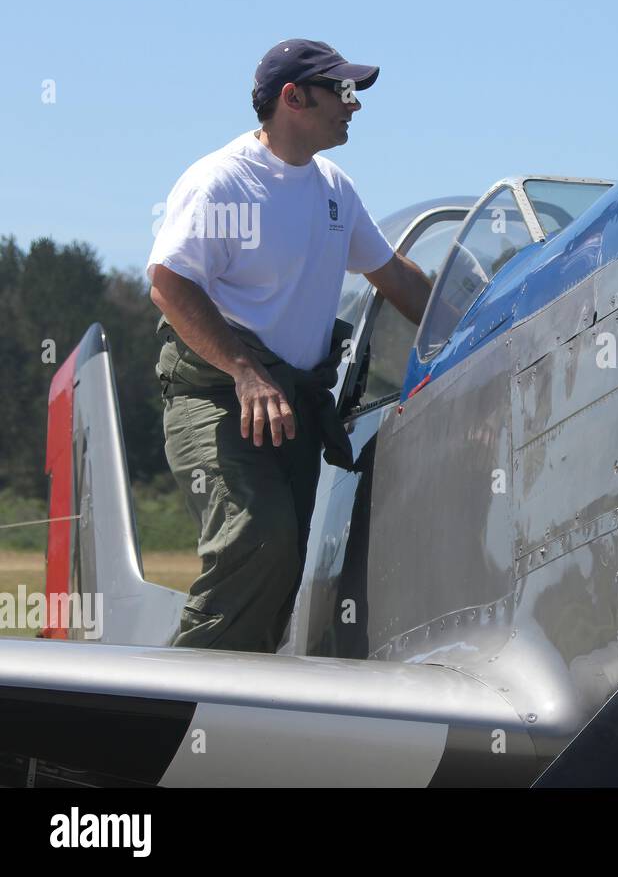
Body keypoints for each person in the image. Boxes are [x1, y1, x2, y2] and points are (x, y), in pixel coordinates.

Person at [147, 39, 432, 652]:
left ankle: (239, 719)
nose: (354, 106)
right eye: (344, 92)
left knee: (283, 572)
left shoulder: (334, 188)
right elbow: (169, 285)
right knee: (258, 538)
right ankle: (169, 715)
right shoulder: (221, 183)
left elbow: (398, 279)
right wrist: (246, 373)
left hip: (291, 405)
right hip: (219, 394)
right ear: (293, 97)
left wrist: (491, 318)